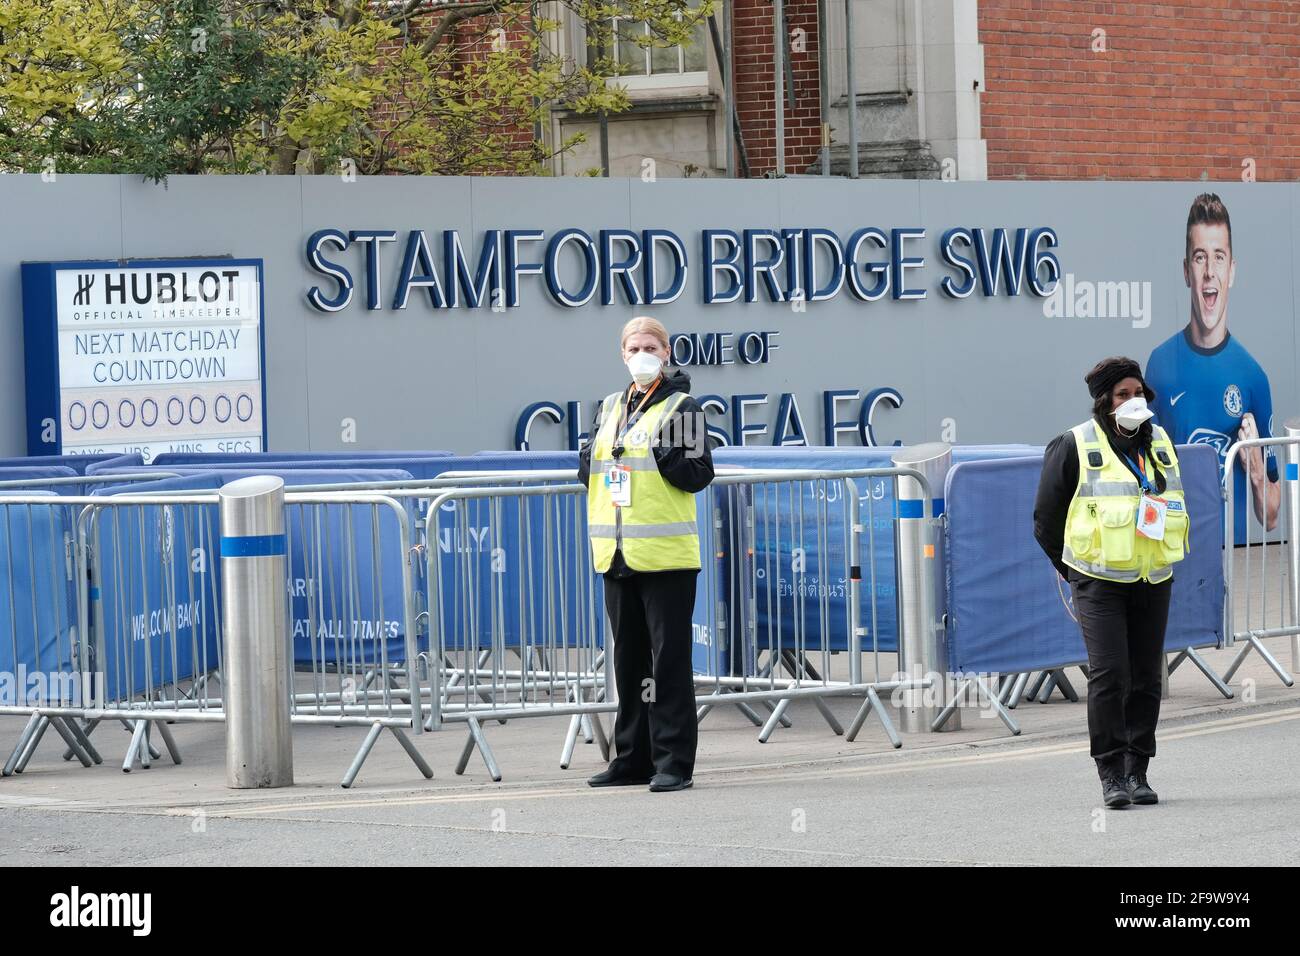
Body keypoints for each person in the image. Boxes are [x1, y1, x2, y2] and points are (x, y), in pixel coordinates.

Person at [1033, 357, 1190, 809]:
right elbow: (1045, 520)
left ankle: (1138, 770)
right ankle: (1110, 774)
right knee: (1110, 674)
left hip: (1153, 577)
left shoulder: (1159, 443)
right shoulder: (1074, 444)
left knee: (1145, 677)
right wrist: (1075, 572)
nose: (1133, 401)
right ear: (1105, 402)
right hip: (1099, 582)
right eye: (1123, 395)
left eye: (1138, 393)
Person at [577, 315, 713, 793]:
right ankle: (631, 757)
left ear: (667, 351)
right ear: (622, 354)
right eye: (634, 347)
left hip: (666, 556)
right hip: (616, 554)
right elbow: (592, 470)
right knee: (629, 662)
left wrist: (664, 452)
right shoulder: (611, 406)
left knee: (668, 662)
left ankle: (673, 761)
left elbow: (698, 473)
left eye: (650, 346)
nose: (642, 354)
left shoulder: (683, 407)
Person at [1145, 192, 1279, 541]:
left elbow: (1272, 516)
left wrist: (1254, 468)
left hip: (1227, 568)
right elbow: (1145, 478)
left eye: (1218, 257)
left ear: (1231, 270)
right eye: (1199, 257)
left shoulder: (1253, 378)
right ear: (1186, 271)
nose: (1209, 272)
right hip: (1172, 560)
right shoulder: (1160, 365)